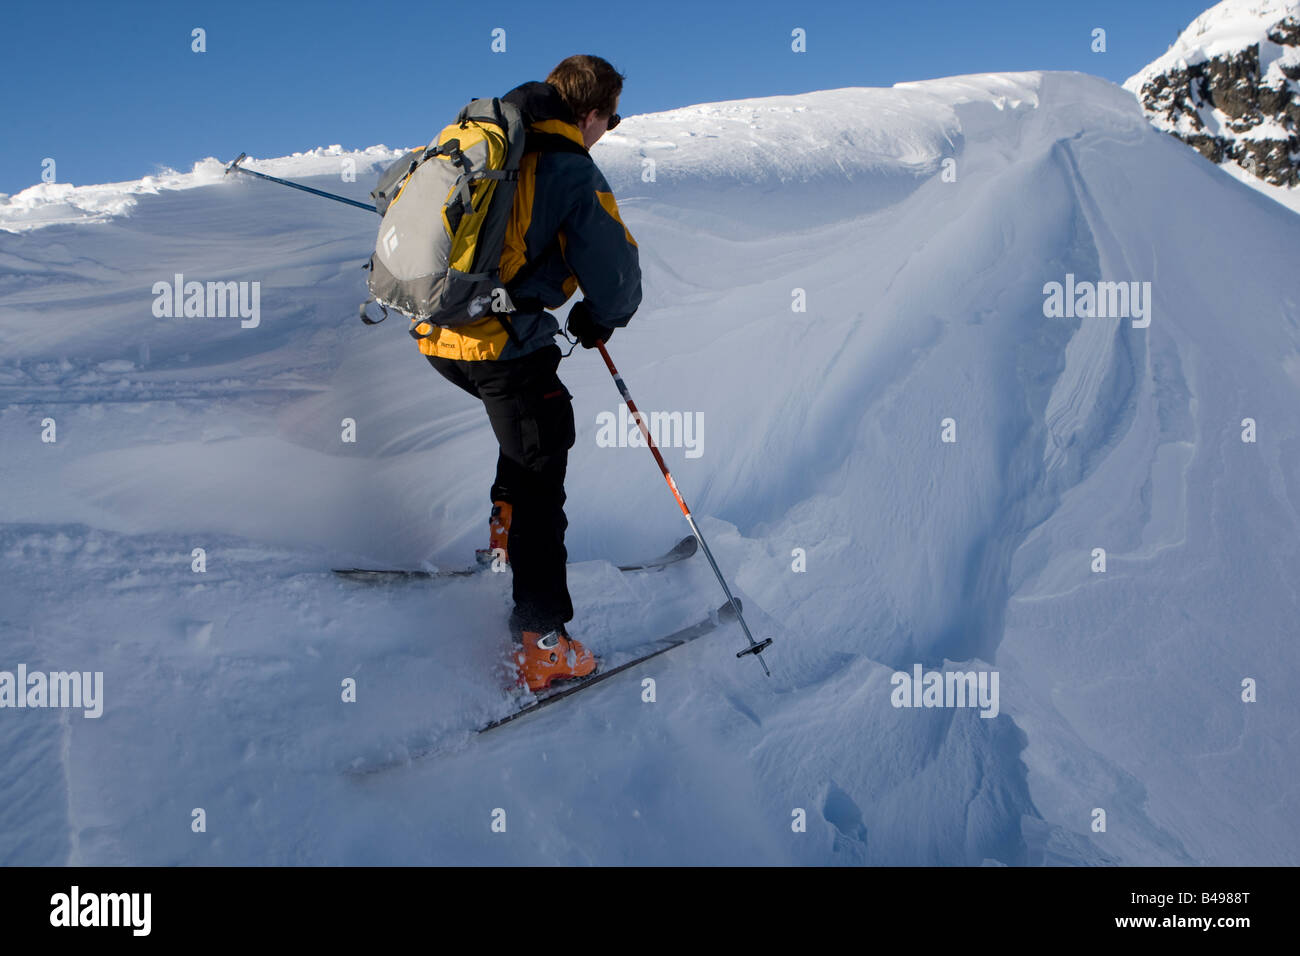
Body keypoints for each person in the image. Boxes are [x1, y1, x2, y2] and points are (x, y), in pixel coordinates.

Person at [416, 54, 642, 691]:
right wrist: (601, 318)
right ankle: (543, 640)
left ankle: (502, 533)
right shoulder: (570, 167)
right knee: (543, 451)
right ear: (592, 113)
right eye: (612, 119)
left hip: (438, 334)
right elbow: (618, 277)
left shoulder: (480, 137)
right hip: (498, 344)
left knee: (524, 433)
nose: (608, 130)